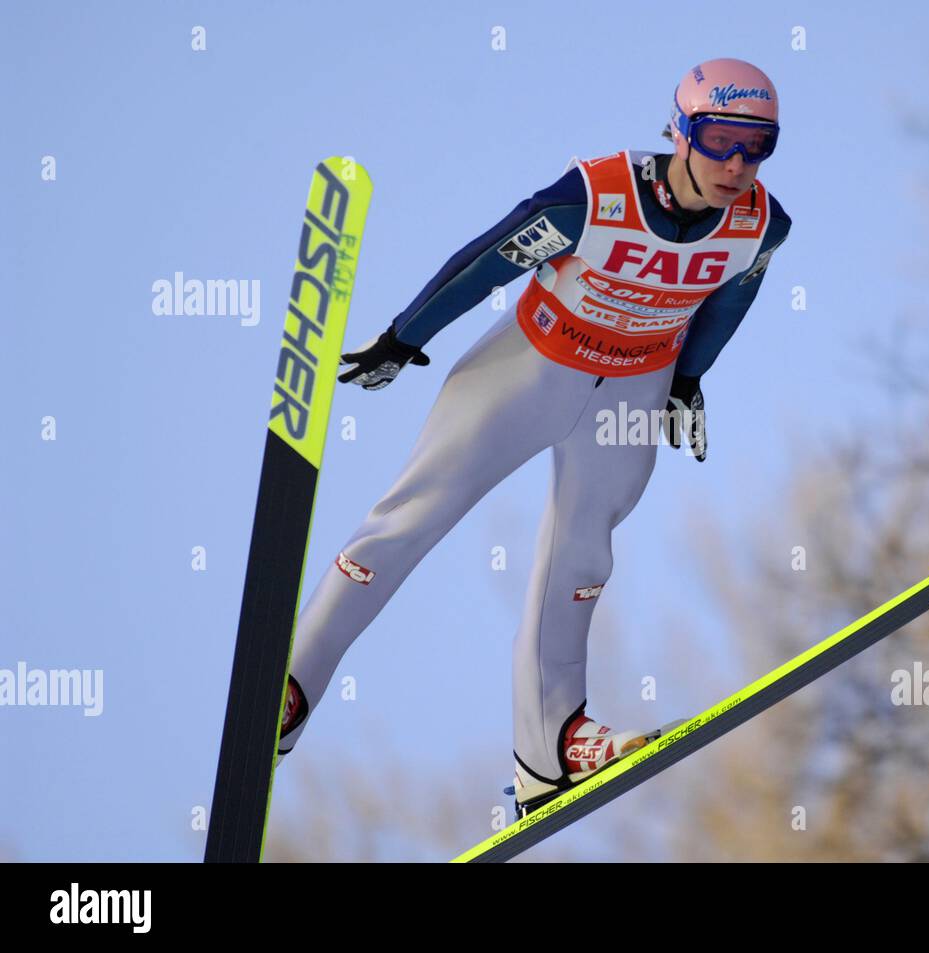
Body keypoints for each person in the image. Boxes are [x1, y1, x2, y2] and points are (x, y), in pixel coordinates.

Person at [275, 57, 794, 817]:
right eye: (720, 139)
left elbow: (727, 302)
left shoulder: (760, 224)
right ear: (681, 131)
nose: (737, 164)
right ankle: (289, 688)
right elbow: (488, 258)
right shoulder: (598, 194)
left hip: (632, 388)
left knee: (582, 558)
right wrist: (403, 337)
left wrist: (686, 381)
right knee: (410, 519)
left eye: (759, 146)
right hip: (528, 370)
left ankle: (551, 751)